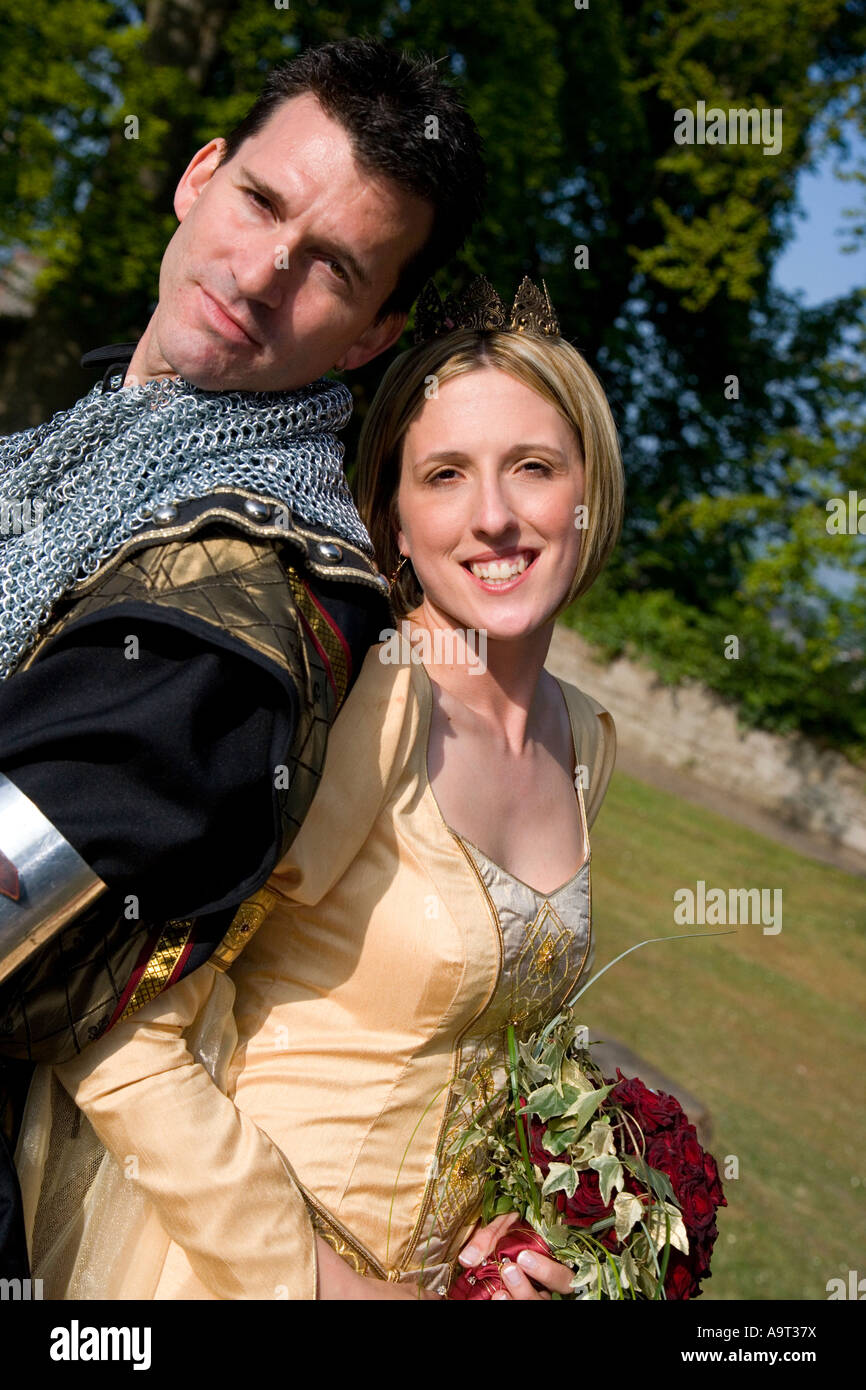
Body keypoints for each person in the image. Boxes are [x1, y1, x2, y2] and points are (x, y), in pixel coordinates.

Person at [14, 277, 625, 1299]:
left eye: (530, 467)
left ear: (586, 492)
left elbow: (475, 1034)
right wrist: (332, 1288)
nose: (493, 517)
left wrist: (521, 1210)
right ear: (389, 515)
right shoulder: (362, 703)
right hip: (224, 1267)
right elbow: (121, 1028)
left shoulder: (583, 739)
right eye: (442, 475)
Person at [0, 37, 486, 1275]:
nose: (265, 270)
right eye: (264, 201)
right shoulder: (85, 437)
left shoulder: (251, 591)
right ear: (199, 175)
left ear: (373, 333)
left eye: (330, 267)